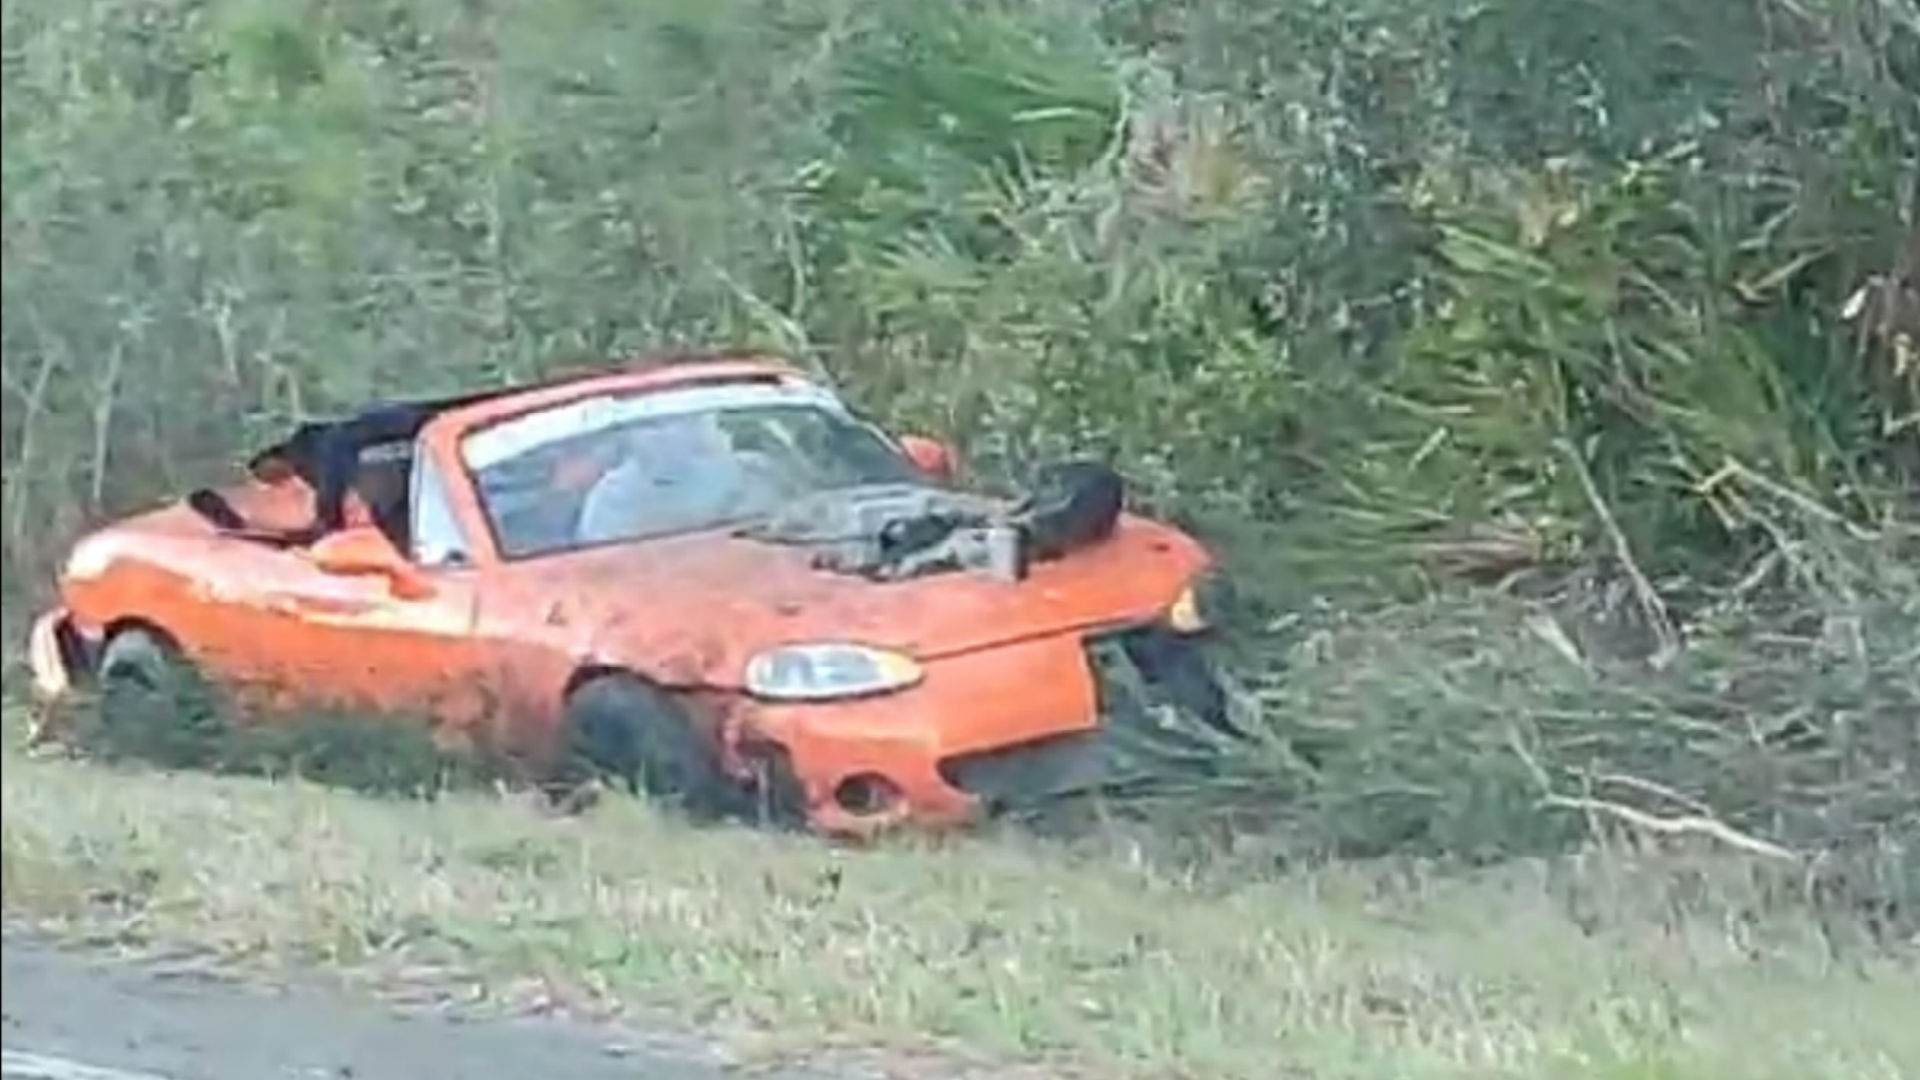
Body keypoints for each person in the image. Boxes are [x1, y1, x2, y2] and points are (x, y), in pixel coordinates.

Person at [574, 410, 746, 545]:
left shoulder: (731, 473)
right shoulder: (613, 495)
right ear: (630, 437)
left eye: (674, 423)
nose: (662, 437)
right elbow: (602, 559)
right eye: (649, 427)